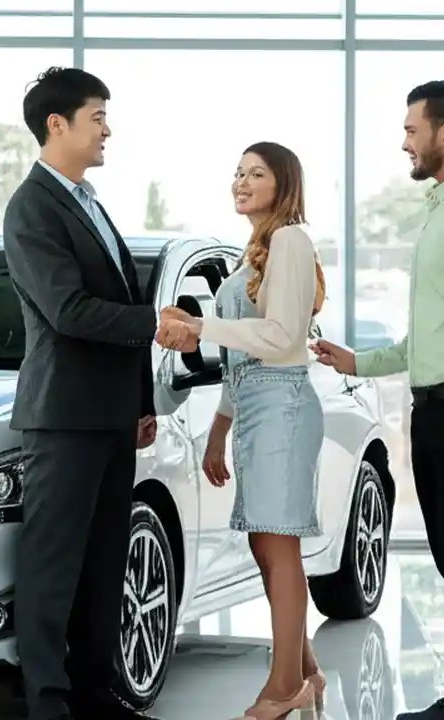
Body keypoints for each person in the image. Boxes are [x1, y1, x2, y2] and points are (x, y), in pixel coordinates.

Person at [312, 81, 444, 720]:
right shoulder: (443, 210)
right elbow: (434, 332)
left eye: (412, 129)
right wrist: (362, 362)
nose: (405, 141)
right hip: (436, 405)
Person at [2, 66, 190, 720]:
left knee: (104, 562)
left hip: (109, 414)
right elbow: (68, 310)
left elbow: (118, 298)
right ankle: (48, 703)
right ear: (58, 124)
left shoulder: (87, 201)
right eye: (97, 116)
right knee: (53, 567)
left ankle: (95, 690)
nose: (108, 128)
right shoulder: (32, 206)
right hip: (64, 416)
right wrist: (156, 325)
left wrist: (140, 398)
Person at [157, 141, 328, 719]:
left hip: (283, 405)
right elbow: (239, 360)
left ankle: (283, 686)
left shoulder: (290, 241)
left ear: (284, 184)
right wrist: (218, 430)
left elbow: (281, 339)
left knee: (278, 543)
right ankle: (305, 670)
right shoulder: (251, 255)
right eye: (237, 172)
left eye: (256, 173)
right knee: (264, 541)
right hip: (256, 407)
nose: (241, 181)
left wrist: (200, 325)